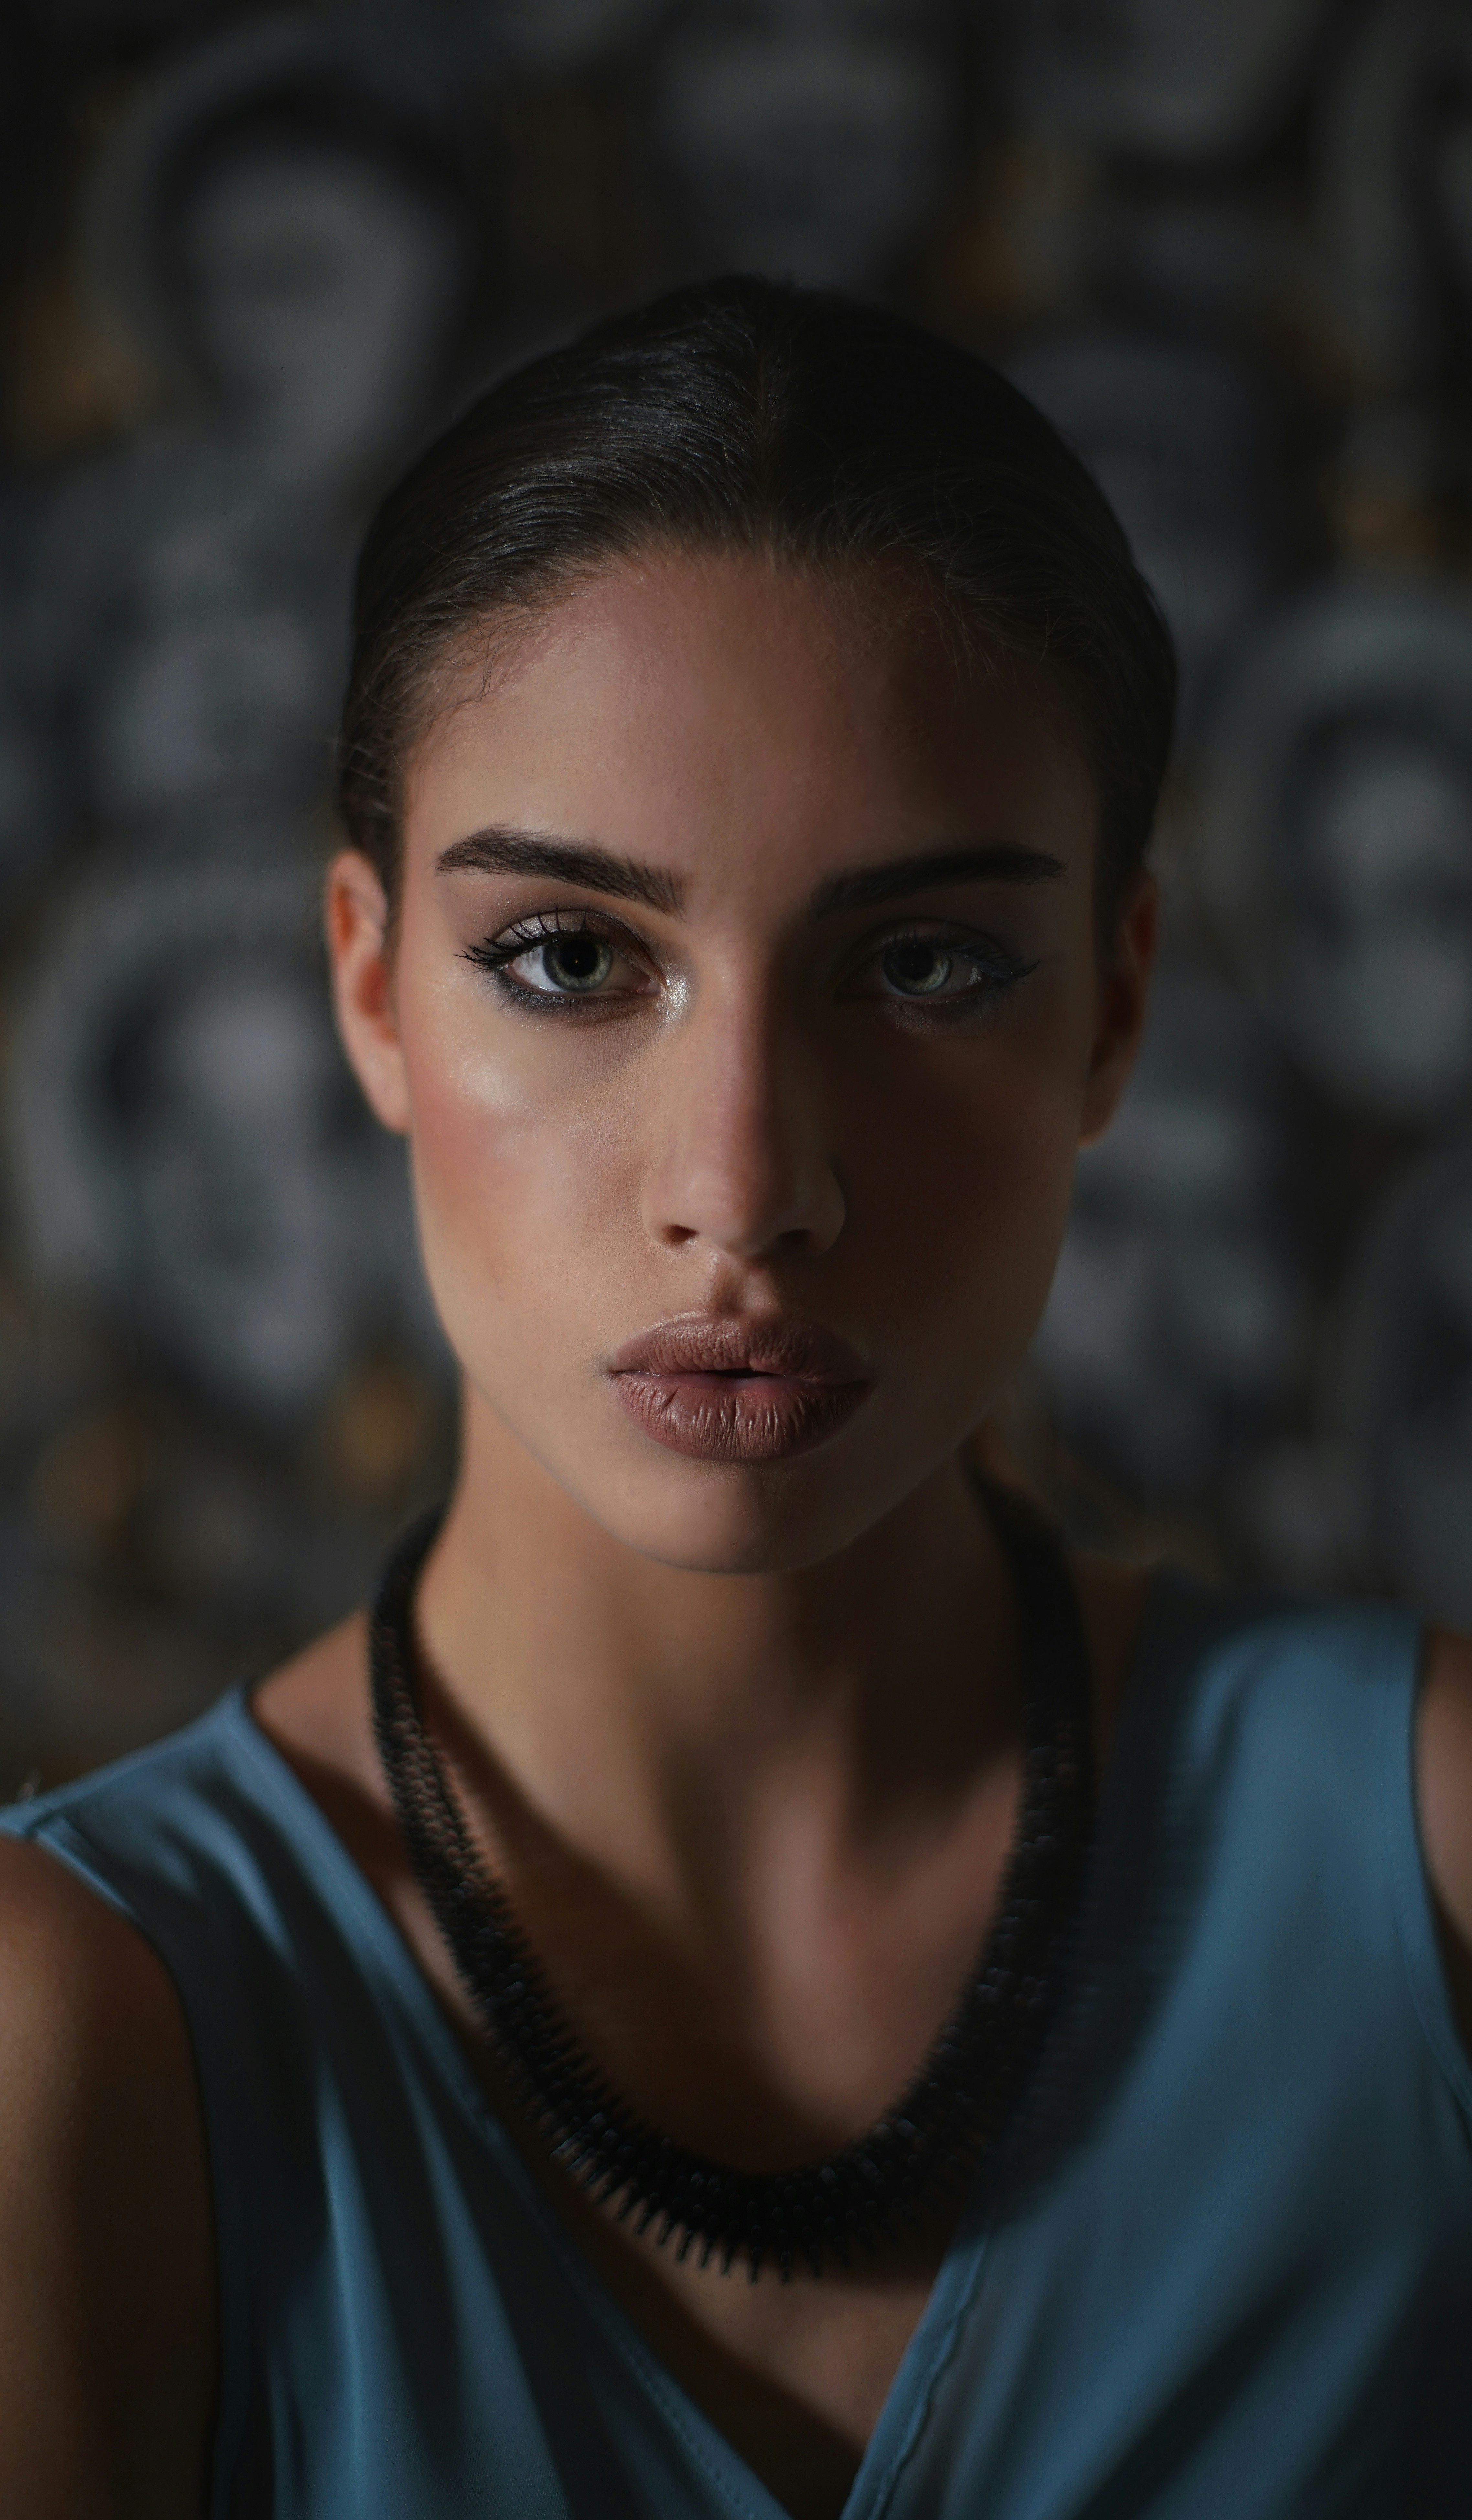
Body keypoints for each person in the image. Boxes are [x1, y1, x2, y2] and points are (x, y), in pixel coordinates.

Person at [0, 277, 1468, 2520]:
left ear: (1115, 1007)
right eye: (573, 959)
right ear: (373, 987)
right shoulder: (77, 2049)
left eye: (929, 964)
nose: (748, 1187)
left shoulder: (1440, 1876)